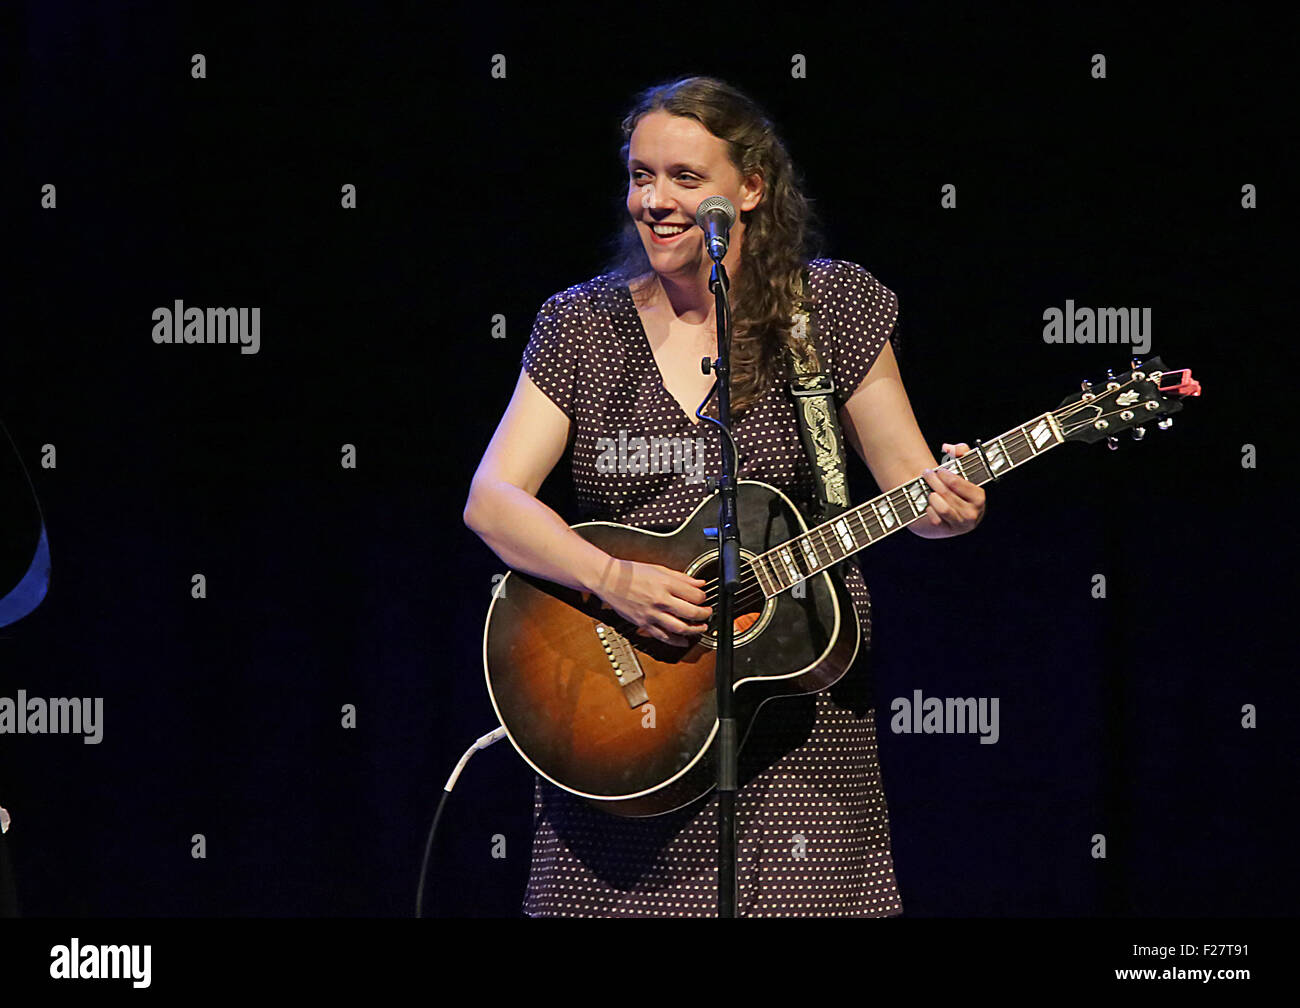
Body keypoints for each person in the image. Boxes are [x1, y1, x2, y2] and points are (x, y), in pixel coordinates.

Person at [463, 76, 986, 917]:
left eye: (684, 178)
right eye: (641, 176)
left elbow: (914, 493)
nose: (656, 201)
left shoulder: (833, 309)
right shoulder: (581, 325)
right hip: (625, 724)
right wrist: (614, 578)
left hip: (795, 734)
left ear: (750, 189)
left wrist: (950, 508)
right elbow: (492, 500)